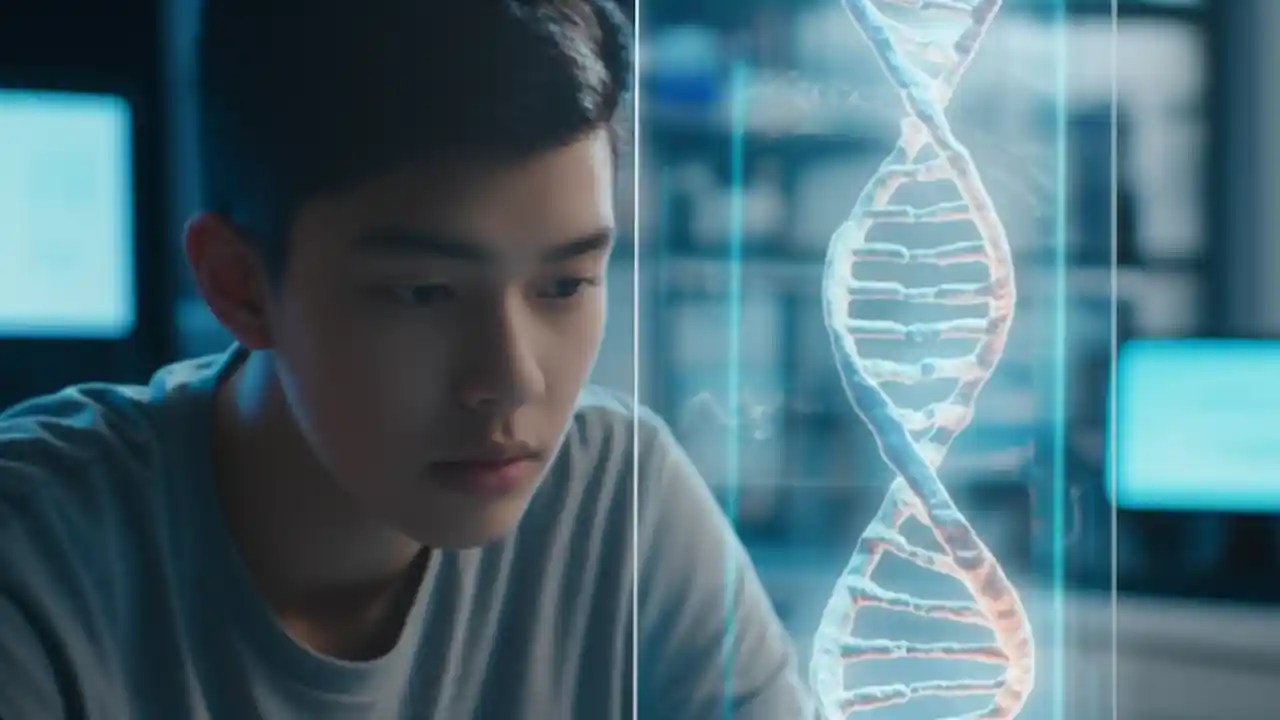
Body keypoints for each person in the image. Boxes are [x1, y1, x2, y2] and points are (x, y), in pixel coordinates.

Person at [0, 1, 811, 718]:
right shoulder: (37, 564)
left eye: (564, 285)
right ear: (238, 285)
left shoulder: (619, 506)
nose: (512, 380)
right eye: (424, 292)